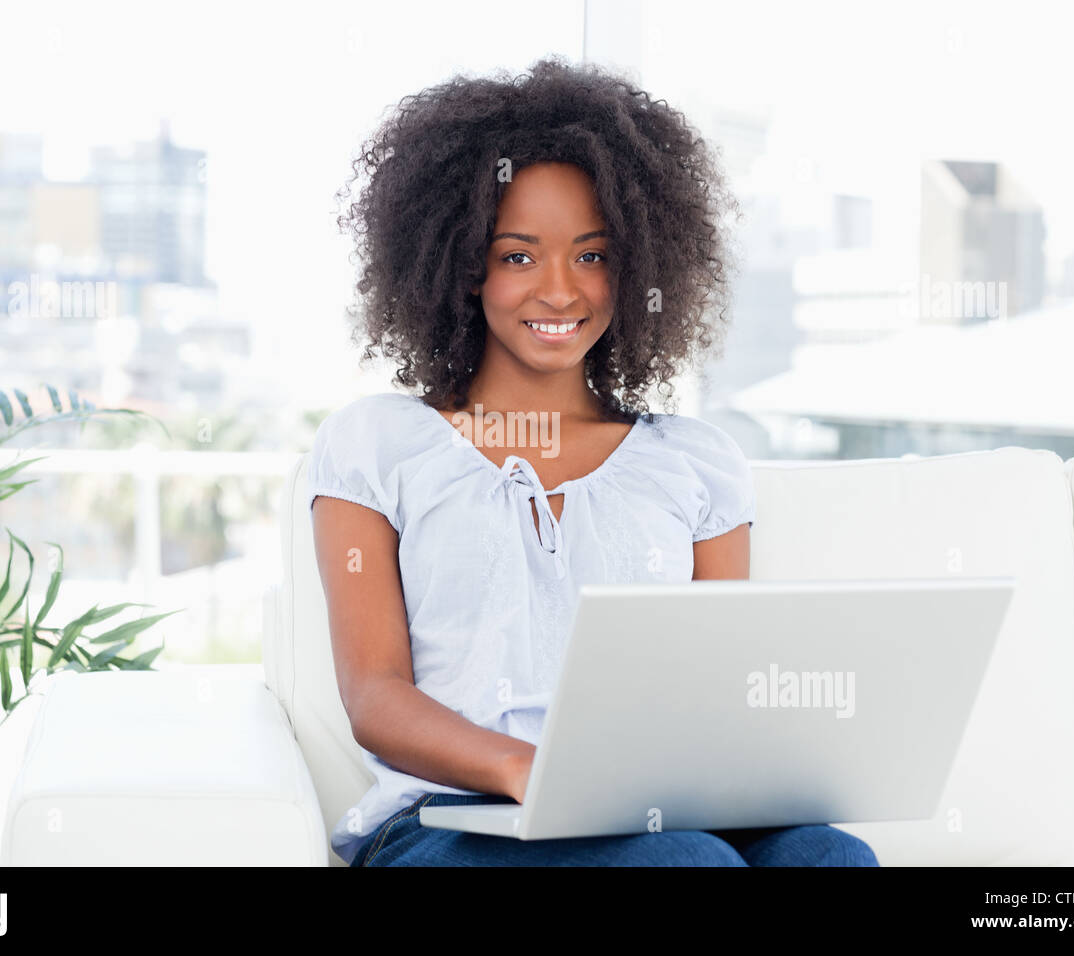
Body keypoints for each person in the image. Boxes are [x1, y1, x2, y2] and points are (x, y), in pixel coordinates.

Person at [309, 56, 879, 867]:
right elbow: (375, 696)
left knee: (831, 859)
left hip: (646, 808)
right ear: (461, 265)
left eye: (592, 255)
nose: (561, 291)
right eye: (517, 256)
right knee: (686, 864)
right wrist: (527, 770)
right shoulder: (376, 445)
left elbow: (718, 692)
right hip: (452, 818)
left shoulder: (697, 463)